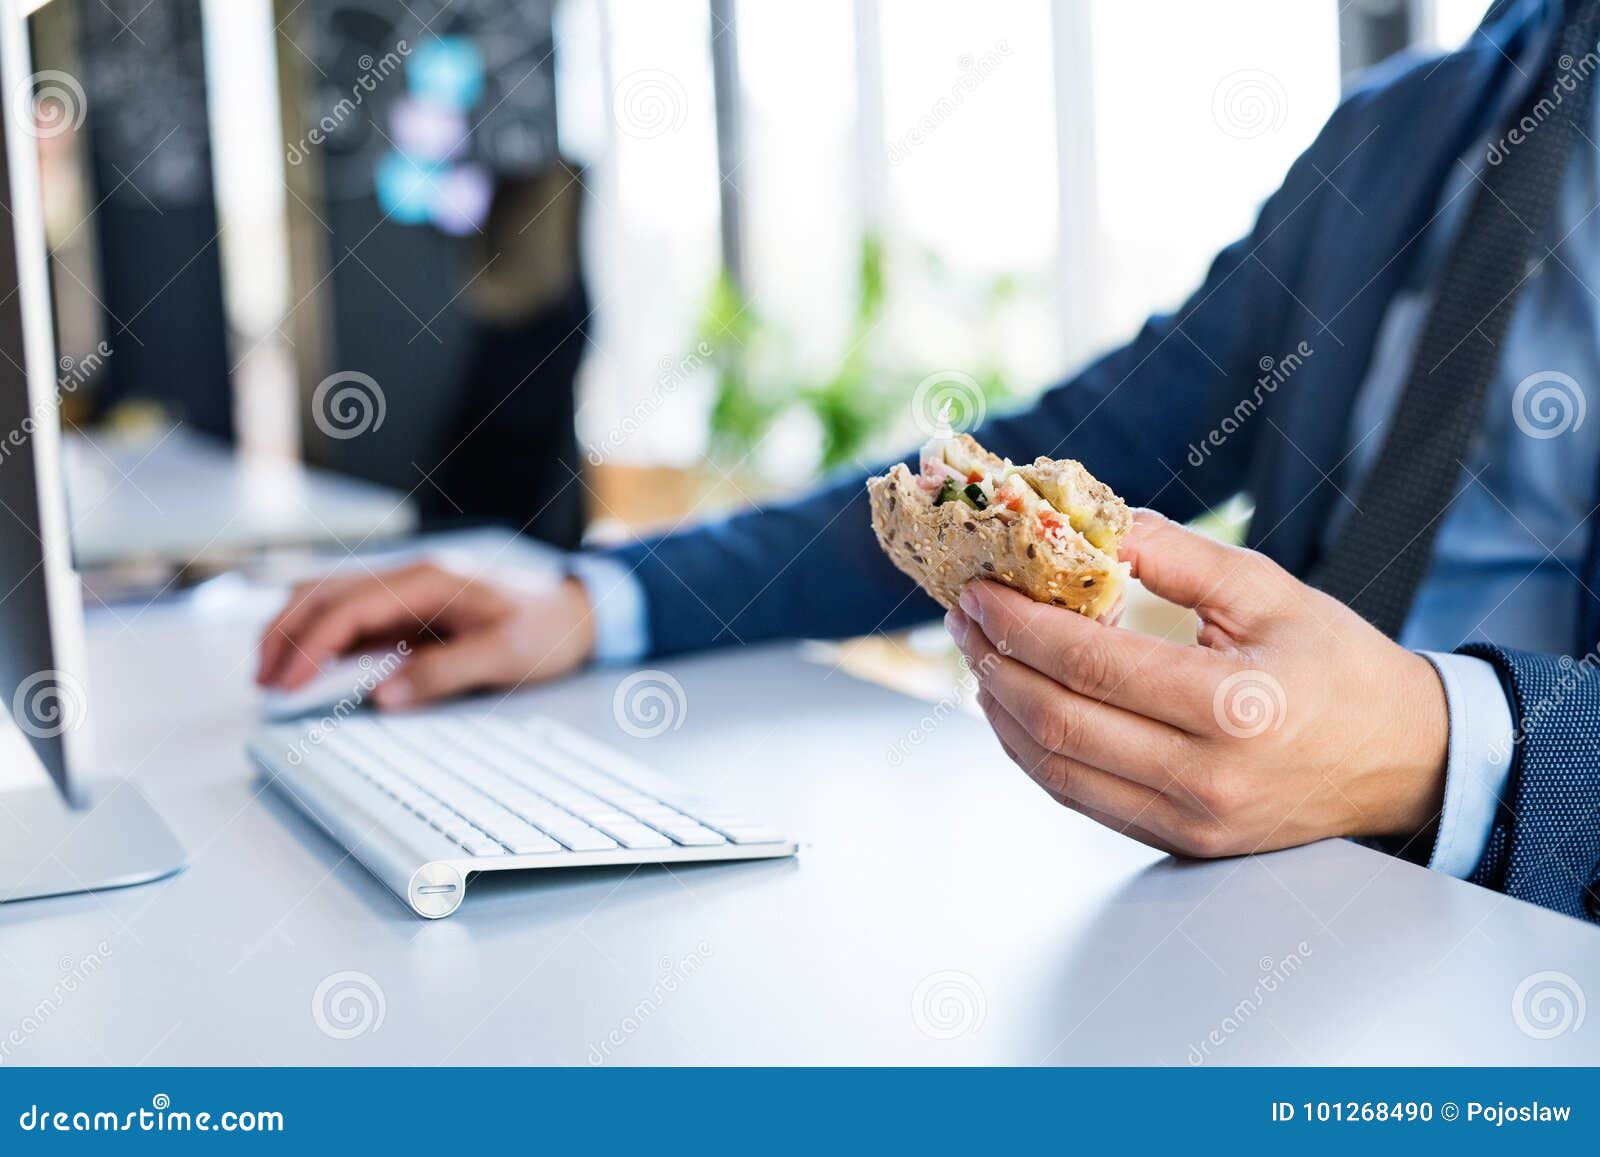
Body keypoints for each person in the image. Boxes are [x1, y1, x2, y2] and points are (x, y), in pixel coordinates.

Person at [258, 0, 1600, 924]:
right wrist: (599, 601)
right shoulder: (1412, 124)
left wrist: (1445, 745)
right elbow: (1055, 458)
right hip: (1290, 925)